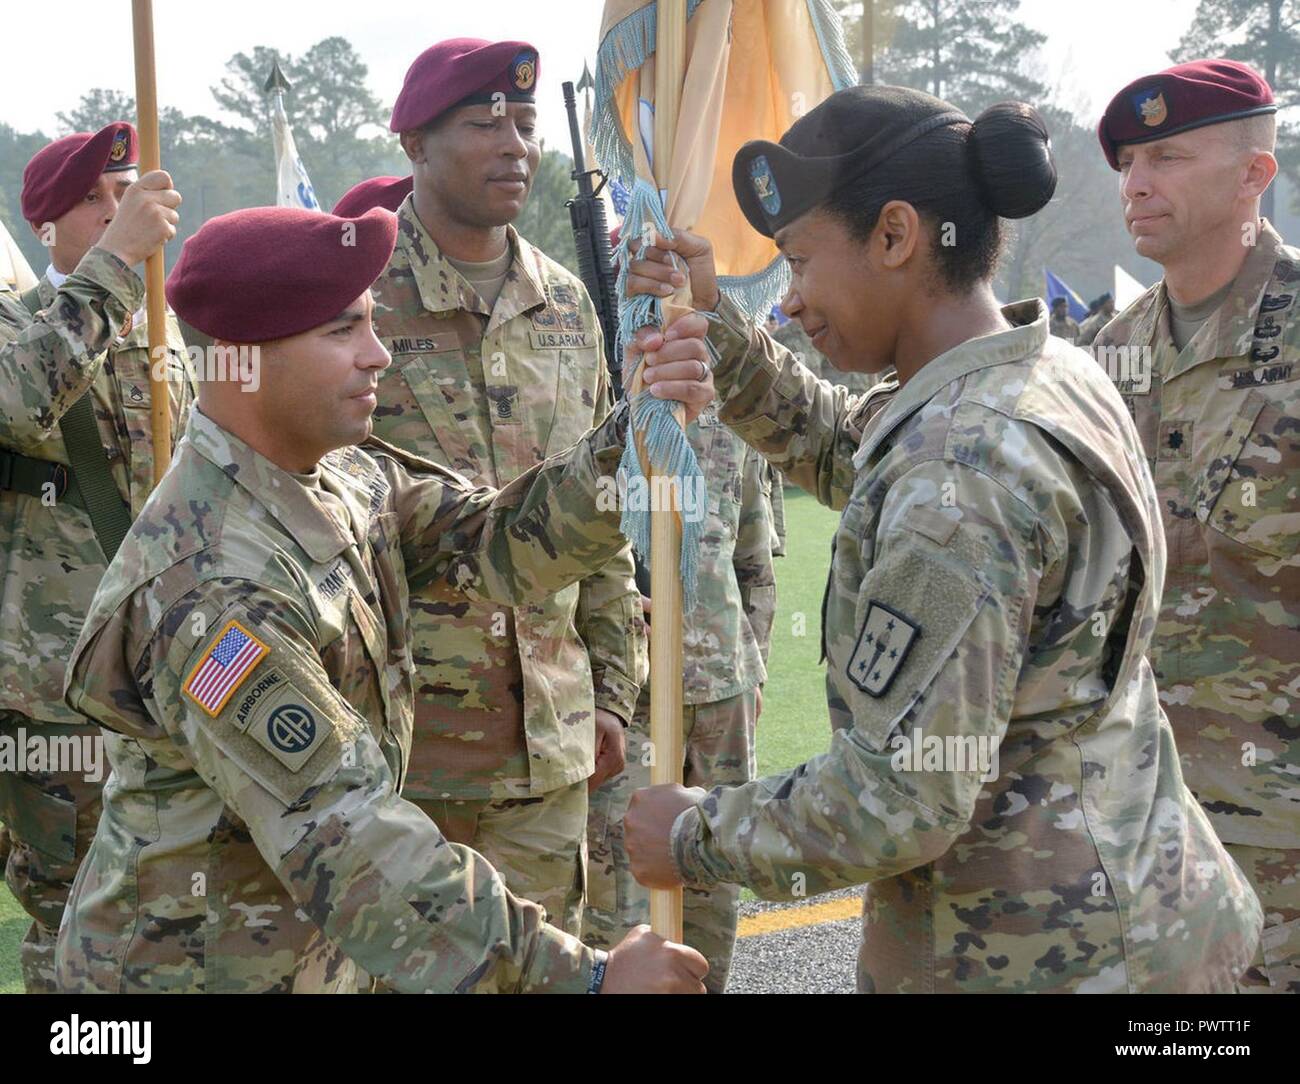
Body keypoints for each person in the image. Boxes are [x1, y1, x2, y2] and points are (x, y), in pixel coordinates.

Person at [619, 84, 1263, 993]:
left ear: (894, 236)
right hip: (1148, 922)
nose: (792, 301)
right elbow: (855, 453)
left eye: (800, 263)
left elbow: (901, 797)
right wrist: (716, 325)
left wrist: (694, 832)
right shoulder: (1043, 372)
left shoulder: (961, 472)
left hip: (1048, 956)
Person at [56, 205, 713, 994]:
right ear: (242, 363)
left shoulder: (343, 476)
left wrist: (632, 445)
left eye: (371, 324)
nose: (378, 357)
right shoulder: (214, 588)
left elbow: (501, 541)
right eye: (342, 332)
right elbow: (348, 837)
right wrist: (588, 977)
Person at [367, 38, 645, 935]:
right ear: (413, 142)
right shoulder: (358, 305)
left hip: (547, 753)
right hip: (403, 754)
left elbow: (606, 518)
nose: (515, 145)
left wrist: (612, 693)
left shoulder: (565, 307)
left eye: (525, 125)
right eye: (484, 124)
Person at [1092, 58, 1299, 993]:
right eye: (1129, 162)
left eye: (1167, 157)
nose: (1137, 183)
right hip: (1153, 829)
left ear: (1255, 175)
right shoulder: (1114, 353)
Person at [0, 124, 192, 993]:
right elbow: (25, 398)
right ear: (46, 224)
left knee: (172, 903)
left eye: (127, 190)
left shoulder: (167, 326)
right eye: (97, 199)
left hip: (172, 661)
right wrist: (113, 264)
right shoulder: (17, 324)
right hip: (57, 683)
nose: (123, 209)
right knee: (70, 905)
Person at [583, 415, 779, 992]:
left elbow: (754, 557)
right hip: (633, 696)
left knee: (715, 883)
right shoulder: (607, 413)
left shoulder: (733, 417)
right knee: (622, 896)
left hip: (725, 687)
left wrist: (755, 661)